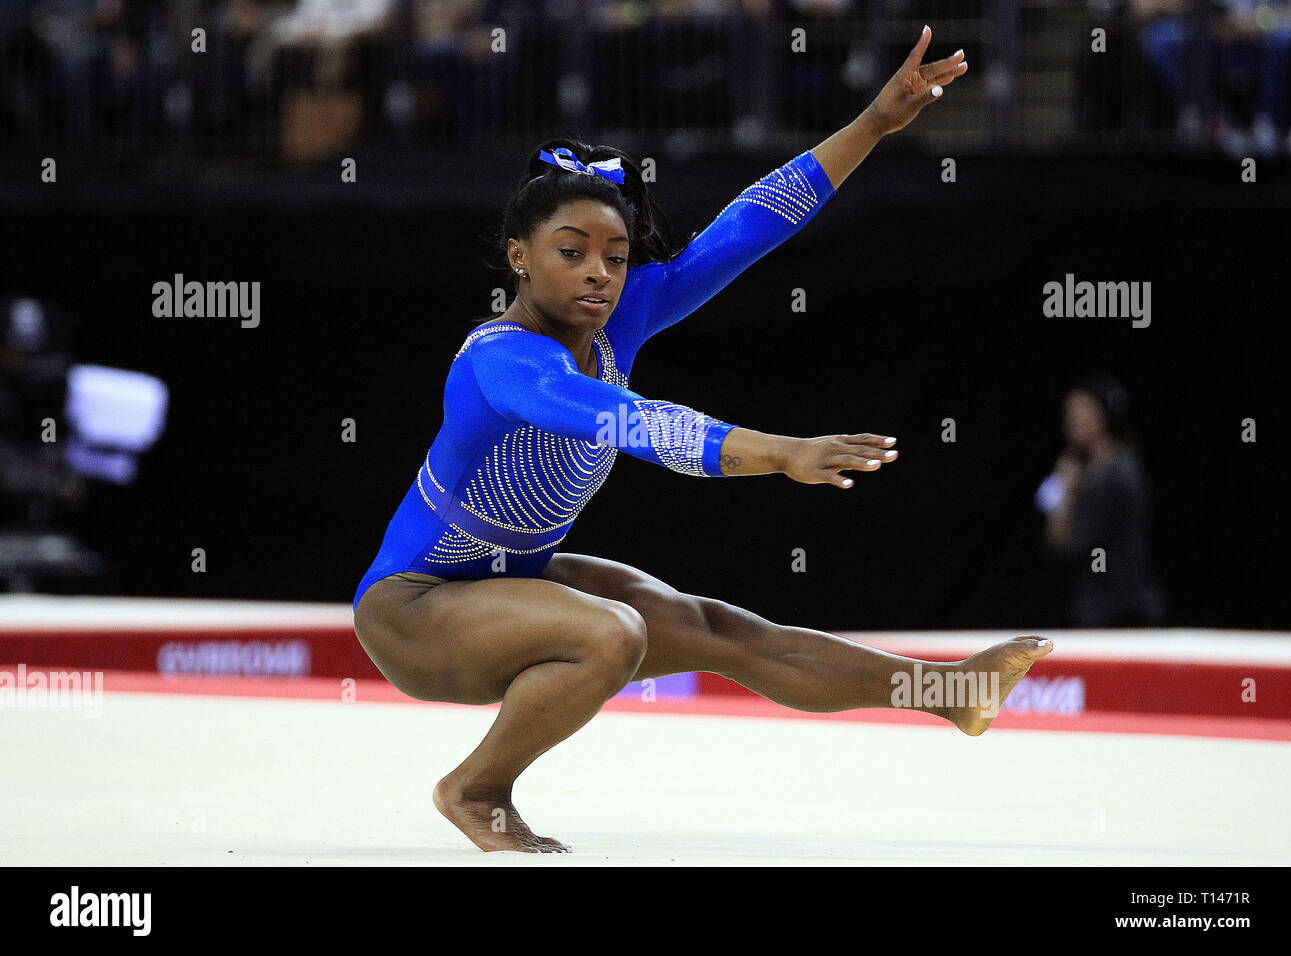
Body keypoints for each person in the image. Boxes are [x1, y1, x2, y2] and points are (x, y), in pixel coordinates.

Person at [353, 25, 1053, 853]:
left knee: (722, 632)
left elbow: (750, 224)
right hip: (417, 610)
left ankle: (948, 691)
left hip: (513, 577)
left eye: (615, 257)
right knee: (612, 633)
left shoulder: (625, 314)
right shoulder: (502, 365)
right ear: (519, 257)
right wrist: (783, 452)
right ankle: (477, 789)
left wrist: (873, 123)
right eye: (571, 253)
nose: (599, 275)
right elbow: (637, 423)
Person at [1040, 377, 1167, 627]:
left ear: (1105, 415)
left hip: (1121, 611)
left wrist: (1068, 494)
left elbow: (1069, 546)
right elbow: (1054, 541)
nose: (1072, 420)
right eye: (1069, 412)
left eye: (1082, 411)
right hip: (1096, 607)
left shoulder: (1117, 473)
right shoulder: (1081, 471)